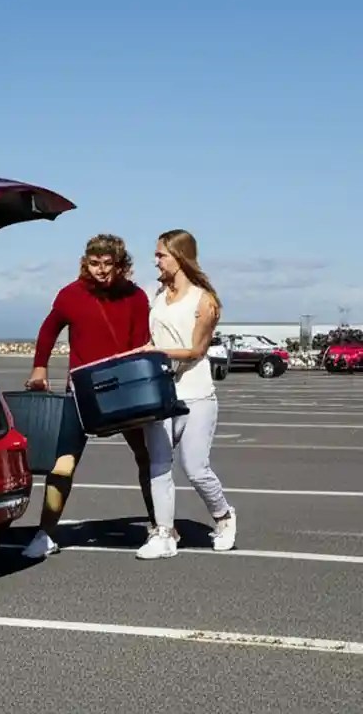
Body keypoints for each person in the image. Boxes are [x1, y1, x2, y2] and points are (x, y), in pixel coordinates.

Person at [21, 233, 156, 559]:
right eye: (95, 264)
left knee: (148, 458)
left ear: (121, 265)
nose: (101, 271)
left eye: (109, 264)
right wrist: (40, 368)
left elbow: (142, 341)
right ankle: (45, 533)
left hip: (125, 390)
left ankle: (159, 526)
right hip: (81, 392)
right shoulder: (71, 294)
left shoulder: (136, 297)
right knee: (62, 465)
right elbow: (49, 329)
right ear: (86, 263)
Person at [134, 229, 237, 559]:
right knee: (159, 465)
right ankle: (163, 534)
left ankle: (224, 517)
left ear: (180, 256)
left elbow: (196, 349)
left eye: (161, 254)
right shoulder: (156, 295)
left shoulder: (204, 300)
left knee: (195, 468)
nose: (156, 260)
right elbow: (150, 335)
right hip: (159, 394)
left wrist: (157, 352)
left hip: (196, 394)